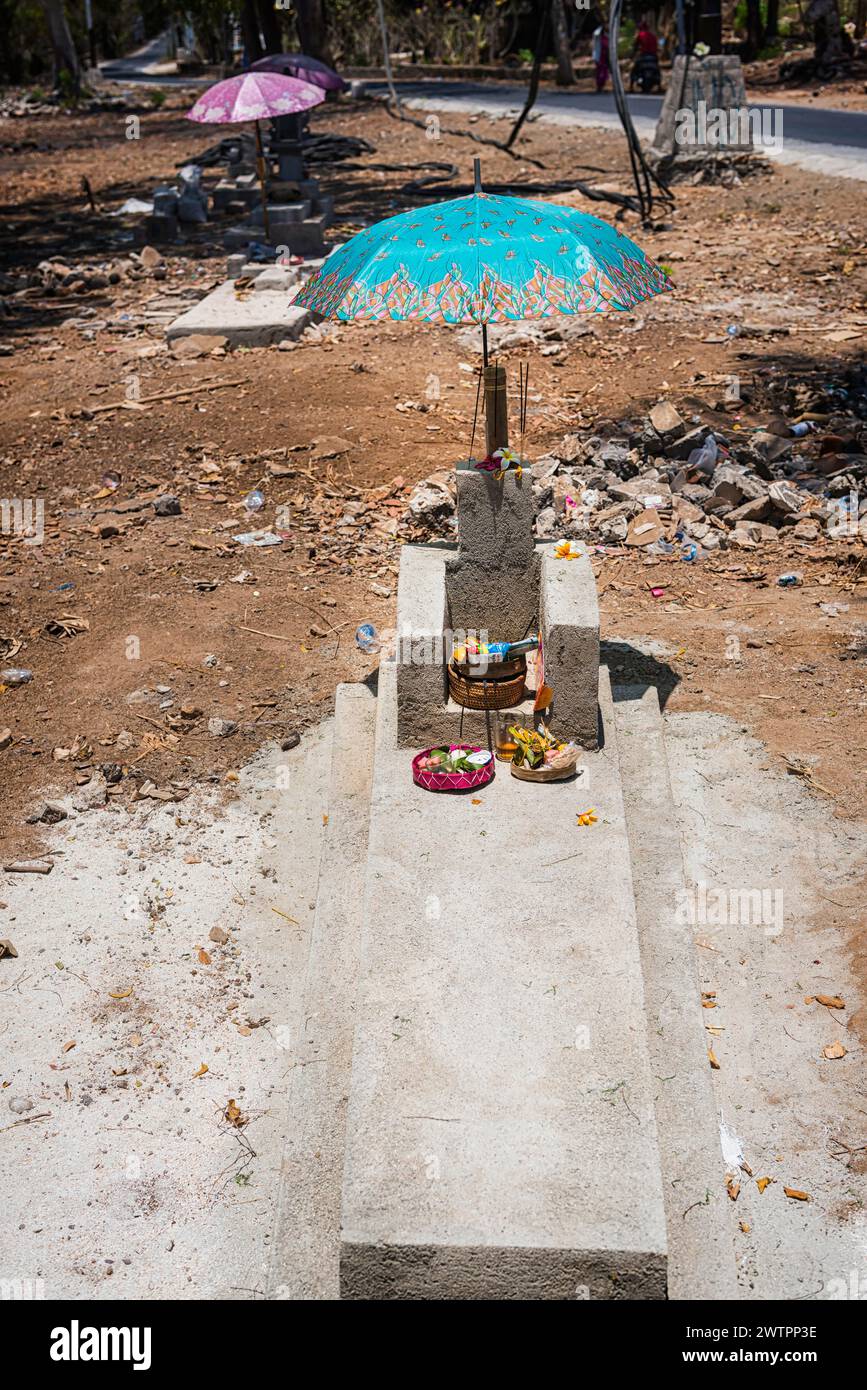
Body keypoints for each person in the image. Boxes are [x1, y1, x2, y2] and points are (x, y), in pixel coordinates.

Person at [592, 24, 610, 92]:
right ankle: (599, 87)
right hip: (599, 57)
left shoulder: (607, 37)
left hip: (605, 57)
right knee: (599, 73)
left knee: (604, 72)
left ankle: (602, 86)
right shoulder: (598, 38)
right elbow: (596, 33)